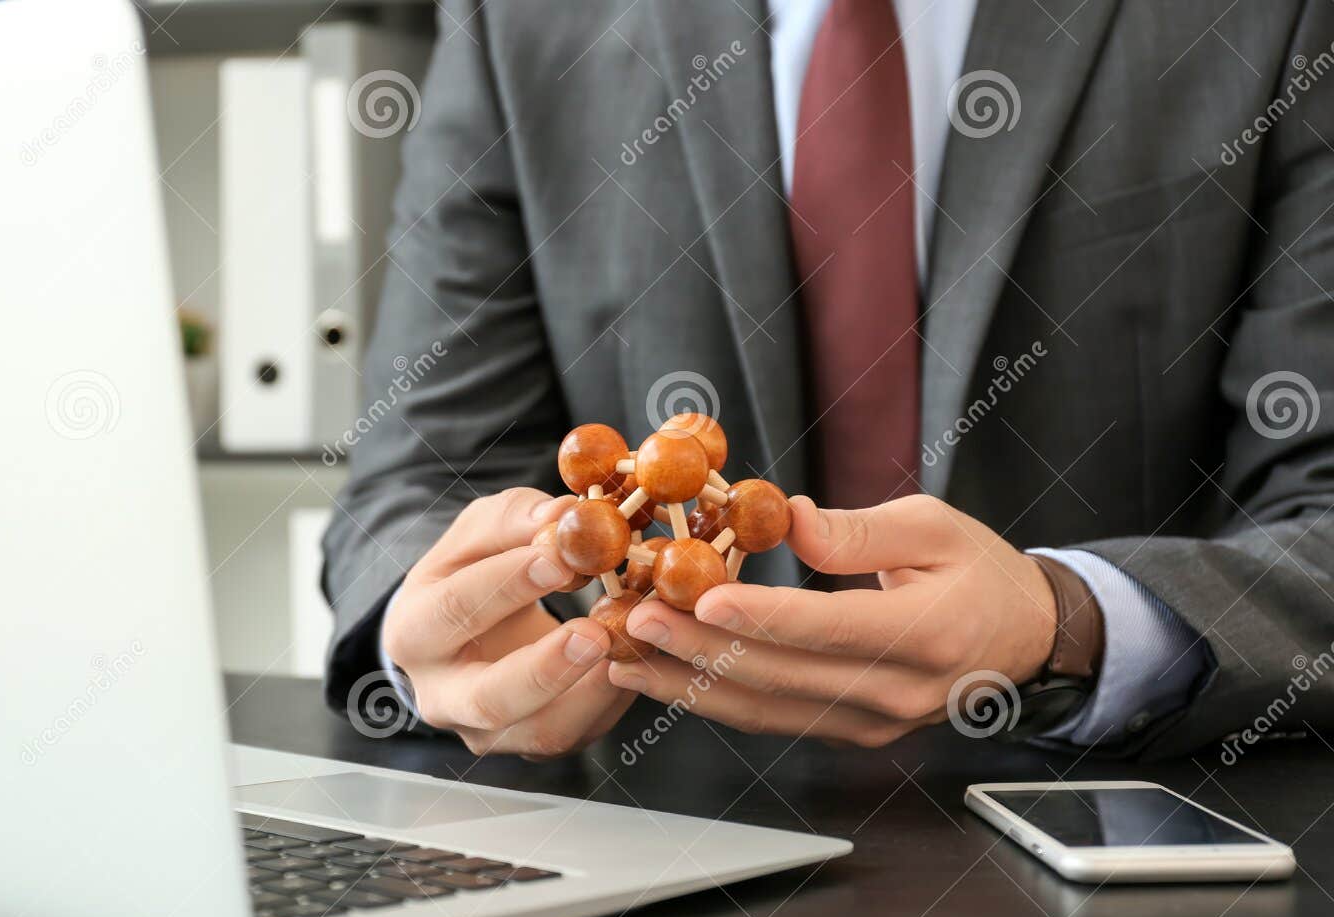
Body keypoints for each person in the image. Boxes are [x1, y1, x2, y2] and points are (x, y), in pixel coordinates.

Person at [321, 0, 1334, 761]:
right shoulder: (524, 21)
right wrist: (448, 643)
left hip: (1127, 850)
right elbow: (417, 482)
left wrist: (1063, 619)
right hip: (649, 864)